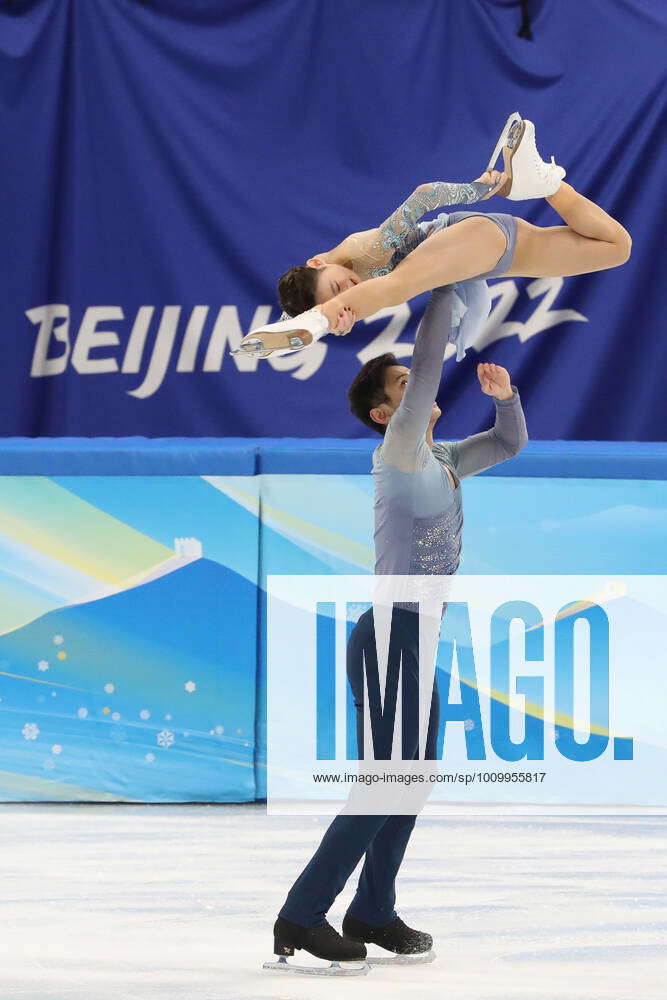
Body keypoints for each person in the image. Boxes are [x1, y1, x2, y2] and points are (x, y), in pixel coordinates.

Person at [267, 283, 528, 975]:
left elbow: (508, 440)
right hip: (392, 637)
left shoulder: (441, 459)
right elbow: (428, 376)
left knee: (408, 779)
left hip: (415, 640)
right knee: (387, 780)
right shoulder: (400, 456)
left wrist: (504, 395)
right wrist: (445, 289)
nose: (418, 390)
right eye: (405, 384)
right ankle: (301, 911)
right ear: (387, 412)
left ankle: (372, 909)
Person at [233, 115, 631, 359]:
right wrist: (295, 325)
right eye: (338, 298)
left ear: (318, 262)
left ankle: (319, 323)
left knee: (398, 285)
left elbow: (425, 195)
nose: (349, 290)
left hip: (464, 237)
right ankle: (539, 180)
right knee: (616, 248)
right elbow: (295, 311)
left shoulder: (365, 251)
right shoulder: (321, 276)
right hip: (496, 255)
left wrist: (478, 188)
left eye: (340, 287)